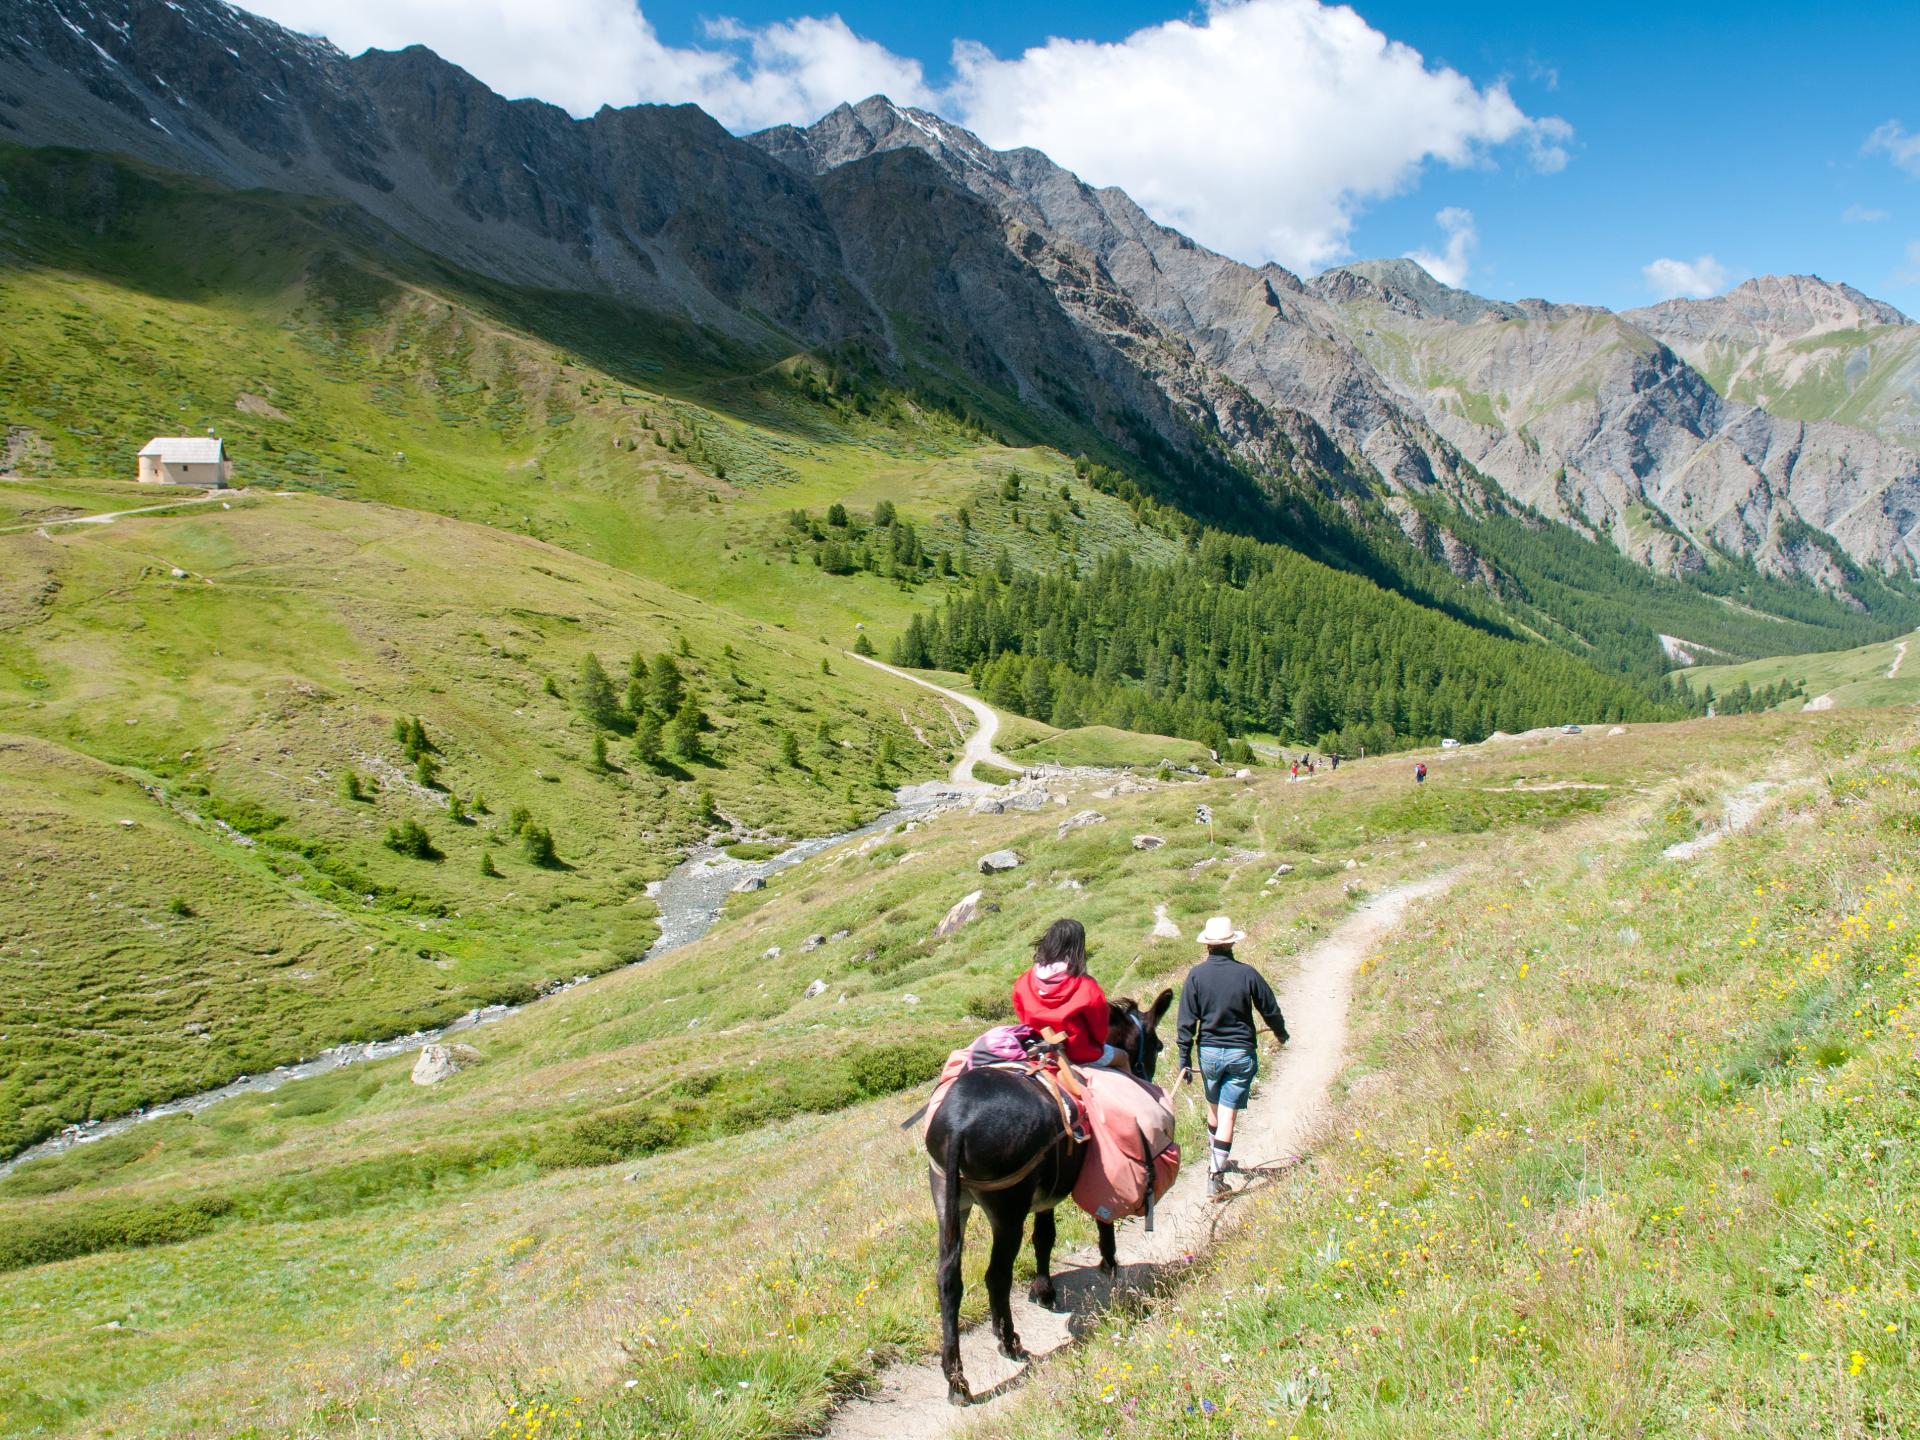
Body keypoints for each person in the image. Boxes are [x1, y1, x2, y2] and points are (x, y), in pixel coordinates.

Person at [1176, 916, 1289, 1196]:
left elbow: (1186, 1022)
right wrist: (1280, 1033)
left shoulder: (1196, 976)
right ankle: (1216, 1175)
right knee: (1227, 1115)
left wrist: (1184, 1060)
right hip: (1240, 1052)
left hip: (1209, 1053)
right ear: (1232, 943)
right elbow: (1269, 1008)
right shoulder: (1247, 973)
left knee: (1213, 1106)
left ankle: (1214, 1158)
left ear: (1208, 946)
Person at [1012, 918, 1126, 1070]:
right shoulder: (1087, 987)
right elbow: (1100, 1031)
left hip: (1040, 1050)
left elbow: (1022, 1017)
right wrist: (1098, 1044)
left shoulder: (1024, 981)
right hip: (1080, 1054)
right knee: (1123, 1057)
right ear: (1077, 947)